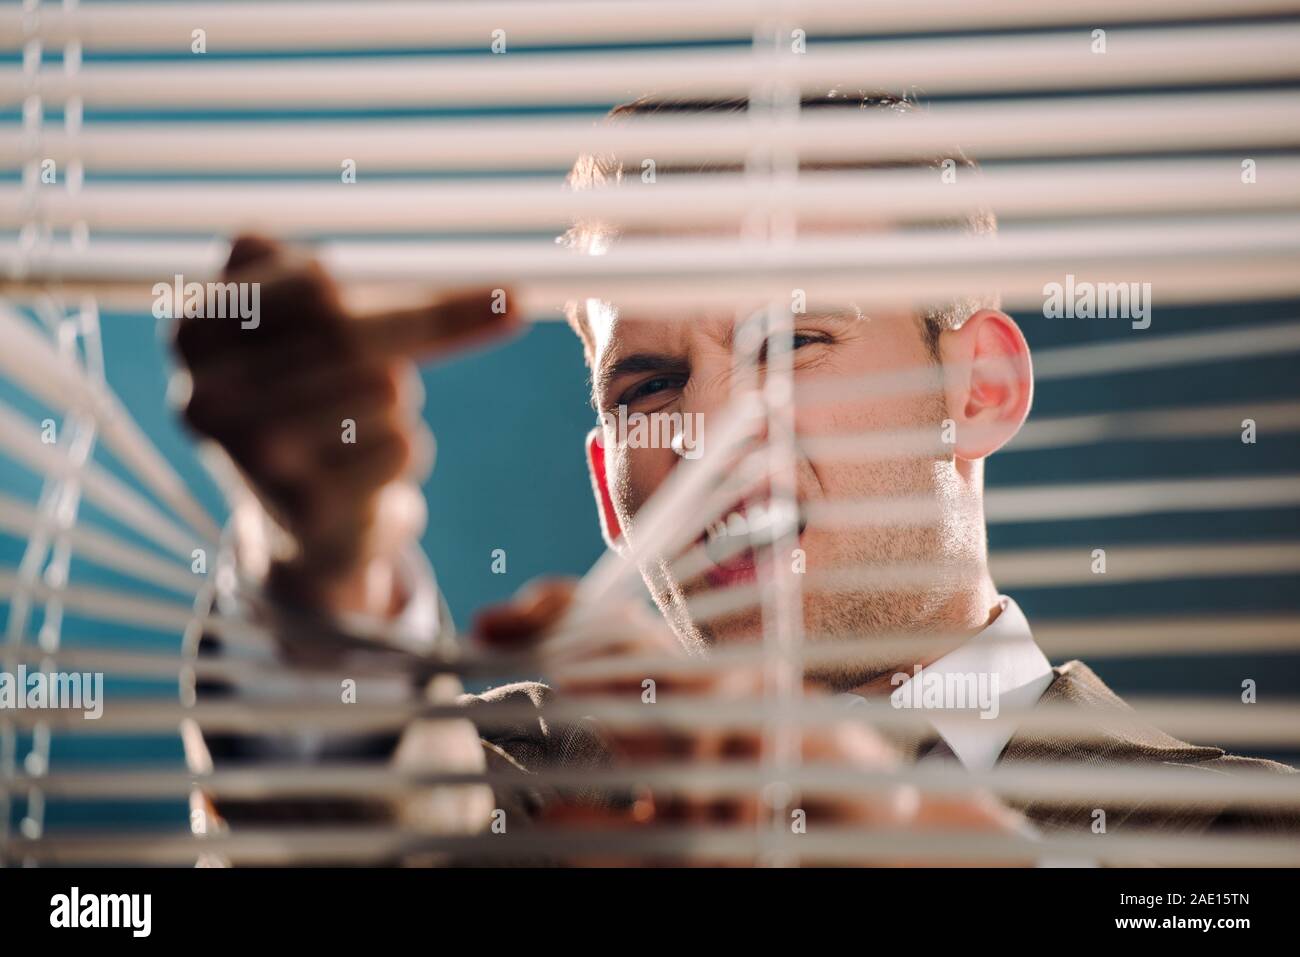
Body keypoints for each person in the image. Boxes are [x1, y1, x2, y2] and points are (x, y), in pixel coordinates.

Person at [173, 93, 1296, 866]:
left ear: (981, 391)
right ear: (614, 495)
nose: (708, 431)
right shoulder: (499, 792)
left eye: (792, 341)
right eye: (648, 384)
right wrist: (314, 561)